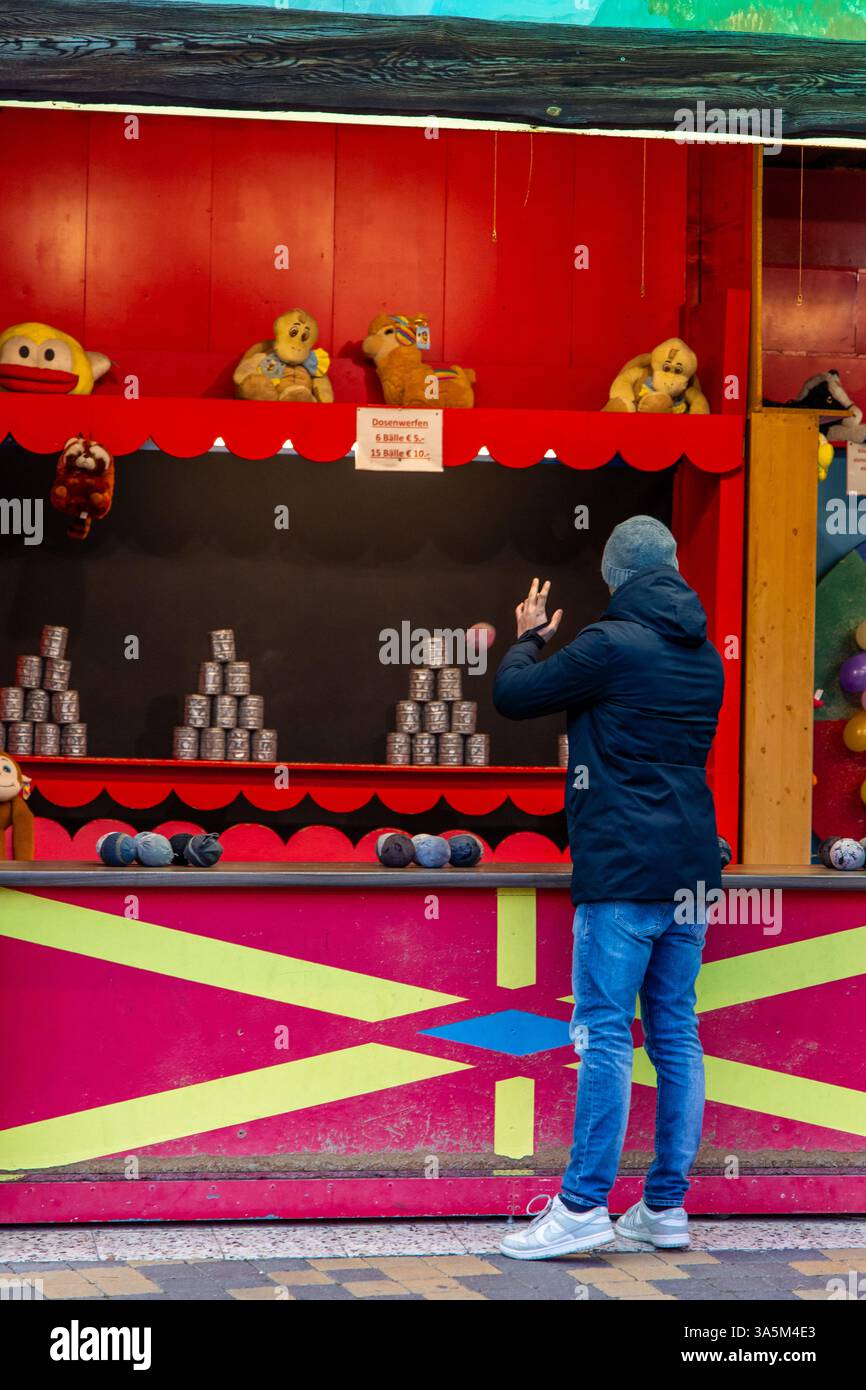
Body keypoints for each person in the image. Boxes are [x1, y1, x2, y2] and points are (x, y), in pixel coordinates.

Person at [493, 515, 724, 1259]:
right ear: (675, 569)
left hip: (623, 870)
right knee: (678, 1035)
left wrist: (528, 633)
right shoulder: (707, 658)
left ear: (614, 576)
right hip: (691, 870)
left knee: (604, 1036)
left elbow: (515, 694)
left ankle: (584, 1205)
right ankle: (665, 1207)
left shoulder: (608, 644)